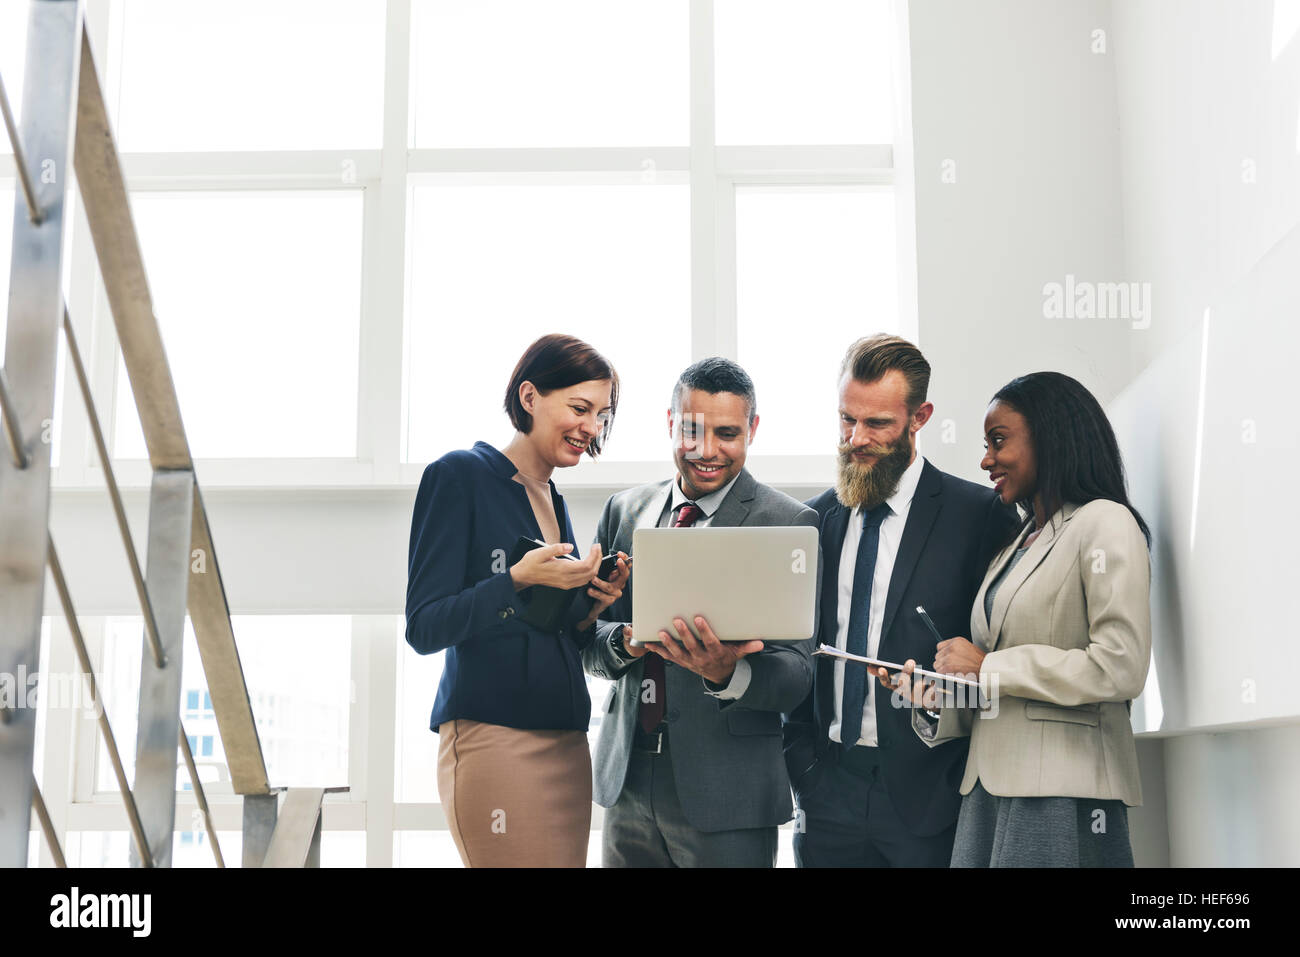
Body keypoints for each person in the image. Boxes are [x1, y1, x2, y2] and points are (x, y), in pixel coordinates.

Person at [883, 370, 1153, 867]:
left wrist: (987, 666)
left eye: (998, 440)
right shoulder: (1020, 540)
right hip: (990, 790)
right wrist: (935, 698)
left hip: (1060, 791)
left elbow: (1121, 666)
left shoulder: (1104, 523)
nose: (986, 460)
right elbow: (999, 685)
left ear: (1051, 436)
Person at [782, 334, 1019, 867]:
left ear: (920, 416)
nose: (855, 438)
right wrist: (804, 767)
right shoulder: (812, 521)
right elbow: (795, 645)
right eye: (846, 419)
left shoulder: (979, 515)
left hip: (932, 793)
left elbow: (1001, 657)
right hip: (825, 792)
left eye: (877, 424)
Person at [404, 333, 630, 867]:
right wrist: (516, 581)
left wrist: (591, 606)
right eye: (579, 408)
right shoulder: (460, 476)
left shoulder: (554, 500)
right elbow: (424, 626)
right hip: (495, 739)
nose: (591, 428)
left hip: (567, 742)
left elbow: (552, 633)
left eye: (601, 414)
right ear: (529, 397)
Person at [581, 357, 818, 867]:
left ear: (752, 431)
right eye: (691, 430)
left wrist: (728, 673)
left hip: (727, 794)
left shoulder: (790, 524)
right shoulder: (623, 511)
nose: (707, 450)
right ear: (671, 424)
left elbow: (798, 676)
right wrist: (625, 640)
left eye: (727, 433)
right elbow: (587, 644)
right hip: (627, 782)